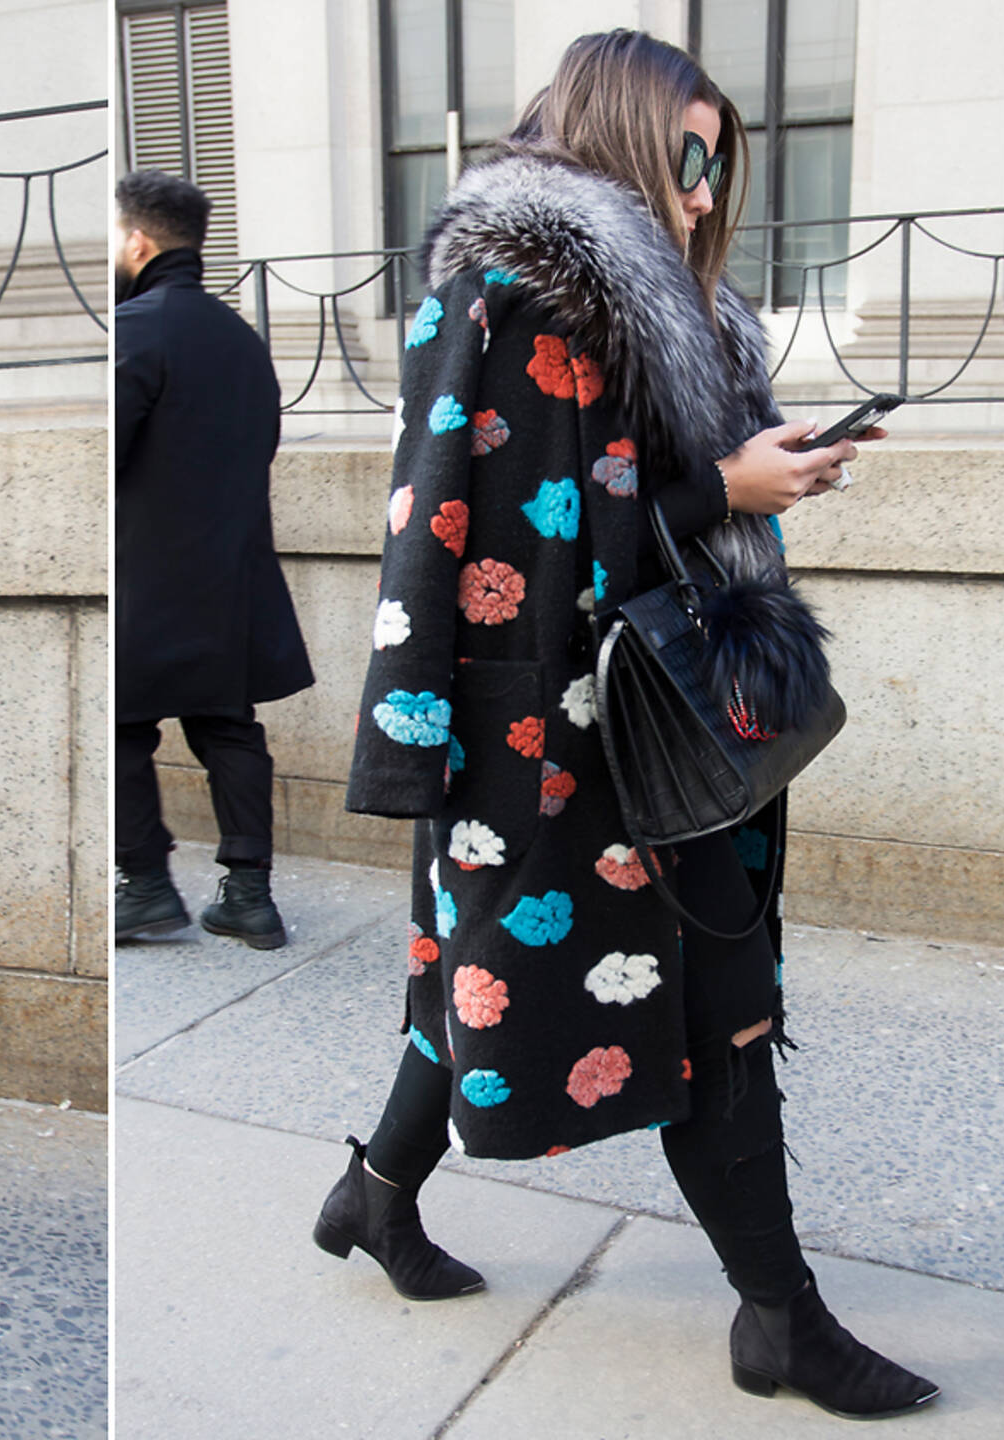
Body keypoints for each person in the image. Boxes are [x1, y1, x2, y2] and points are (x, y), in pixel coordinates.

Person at [311, 30, 938, 1422]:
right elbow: (516, 555)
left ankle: (372, 1193)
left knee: (487, 977)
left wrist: (763, 478)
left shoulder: (670, 308)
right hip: (562, 743)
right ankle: (783, 1324)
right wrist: (728, 491)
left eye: (721, 165)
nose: (709, 195)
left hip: (651, 714)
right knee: (710, 1010)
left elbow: (633, 502)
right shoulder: (517, 293)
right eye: (692, 159)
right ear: (624, 134)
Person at [114, 170, 314, 950]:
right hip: (232, 575)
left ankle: (148, 887)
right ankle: (250, 896)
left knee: (126, 728)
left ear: (137, 241)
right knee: (229, 726)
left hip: (148, 573)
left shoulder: (138, 328)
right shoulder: (243, 339)